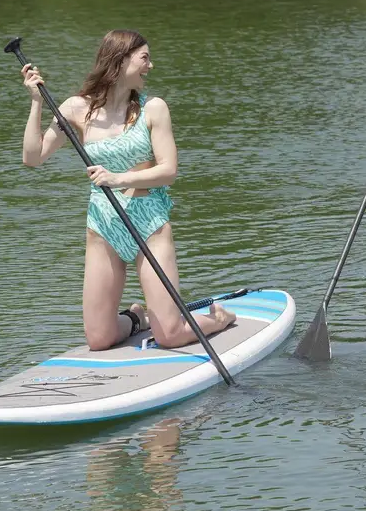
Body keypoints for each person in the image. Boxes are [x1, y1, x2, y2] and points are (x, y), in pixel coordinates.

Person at [21, 29, 236, 350]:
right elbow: (33, 158)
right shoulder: (75, 108)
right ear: (120, 61)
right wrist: (36, 102)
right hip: (103, 227)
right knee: (99, 339)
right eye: (144, 58)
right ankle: (138, 317)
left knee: (171, 337)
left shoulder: (154, 109)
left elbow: (168, 170)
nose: (150, 65)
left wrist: (119, 179)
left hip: (148, 223)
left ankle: (219, 319)